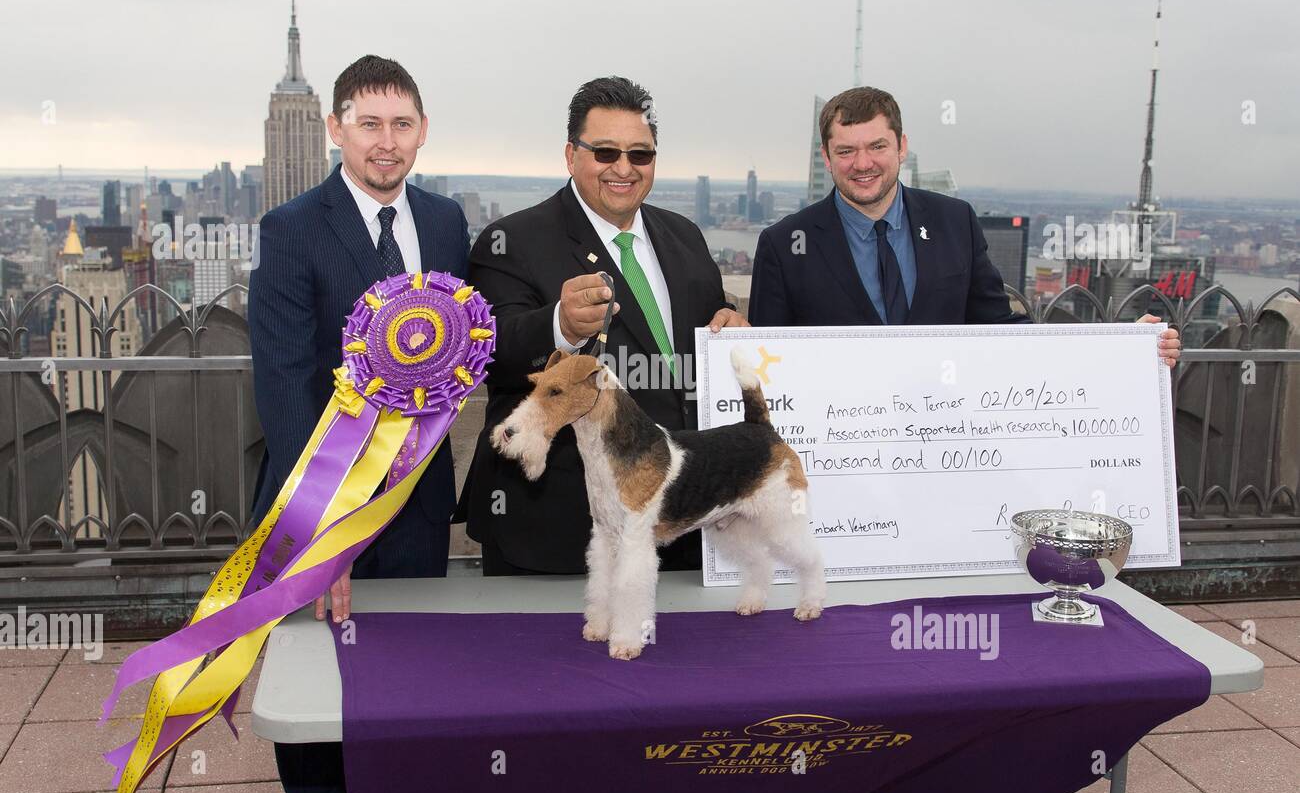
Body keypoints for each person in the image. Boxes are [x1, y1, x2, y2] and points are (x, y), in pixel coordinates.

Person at [248, 55, 469, 793]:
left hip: (416, 506)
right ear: (336, 128)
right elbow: (282, 385)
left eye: (401, 124)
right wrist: (323, 537)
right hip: (318, 507)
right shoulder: (289, 229)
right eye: (369, 123)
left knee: (408, 696)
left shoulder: (444, 221)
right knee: (317, 710)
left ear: (423, 132)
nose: (386, 142)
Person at [454, 75, 747, 575]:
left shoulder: (685, 236)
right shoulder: (511, 239)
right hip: (560, 532)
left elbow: (703, 332)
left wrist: (732, 323)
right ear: (571, 156)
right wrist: (559, 326)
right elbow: (490, 354)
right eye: (606, 152)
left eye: (641, 155)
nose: (624, 168)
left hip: (679, 522)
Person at [748, 86, 1181, 367]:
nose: (862, 164)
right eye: (845, 151)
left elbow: (999, 329)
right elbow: (765, 362)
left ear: (901, 147)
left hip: (946, 441)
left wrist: (1123, 346)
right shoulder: (785, 244)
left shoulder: (955, 222)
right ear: (826, 157)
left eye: (877, 146)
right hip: (835, 457)